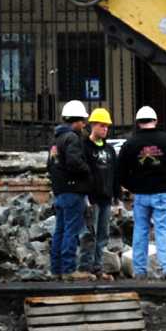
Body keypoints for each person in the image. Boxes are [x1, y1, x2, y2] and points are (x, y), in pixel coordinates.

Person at [116, 105, 166, 278]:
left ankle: (139, 272)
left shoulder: (130, 143)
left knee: (140, 231)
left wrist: (134, 186)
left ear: (138, 122)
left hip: (141, 195)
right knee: (163, 231)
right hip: (162, 193)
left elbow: (120, 173)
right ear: (155, 121)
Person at [45, 99, 93, 276]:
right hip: (73, 191)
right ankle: (68, 269)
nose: (84, 125)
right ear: (76, 121)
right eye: (83, 121)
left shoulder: (56, 139)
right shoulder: (72, 138)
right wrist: (88, 171)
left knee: (60, 231)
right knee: (71, 232)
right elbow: (74, 162)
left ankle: (56, 269)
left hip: (59, 191)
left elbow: (49, 165)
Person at [77, 107, 119, 276]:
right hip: (92, 198)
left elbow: (114, 173)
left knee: (103, 235)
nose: (105, 129)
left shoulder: (109, 150)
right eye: (102, 125)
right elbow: (82, 172)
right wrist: (85, 195)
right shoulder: (84, 147)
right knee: (89, 235)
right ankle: (85, 268)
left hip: (106, 198)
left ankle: (98, 267)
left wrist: (117, 195)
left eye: (107, 126)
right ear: (93, 125)